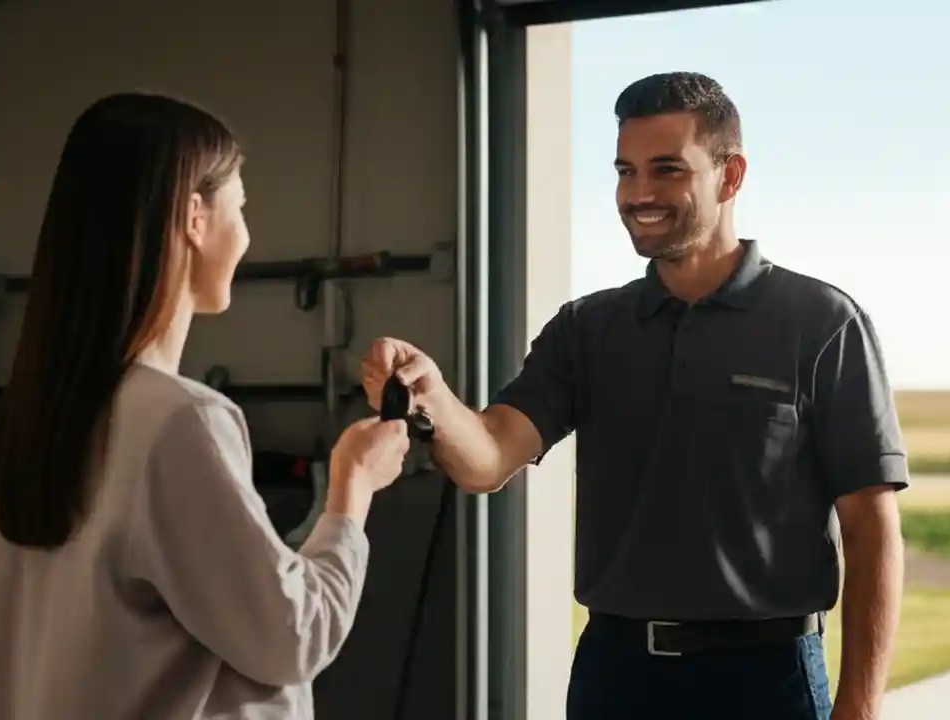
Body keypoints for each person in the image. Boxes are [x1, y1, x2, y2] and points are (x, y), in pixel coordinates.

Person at [361, 72, 907, 720]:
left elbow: (871, 530)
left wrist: (860, 707)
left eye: (667, 170)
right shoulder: (586, 329)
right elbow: (488, 459)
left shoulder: (822, 322)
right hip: (615, 678)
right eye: (627, 171)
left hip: (766, 682)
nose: (639, 193)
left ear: (730, 176)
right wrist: (433, 399)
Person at [0, 92, 410, 720]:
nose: (248, 234)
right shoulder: (179, 421)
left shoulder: (26, 423)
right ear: (194, 216)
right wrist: (352, 489)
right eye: (242, 207)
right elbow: (290, 637)